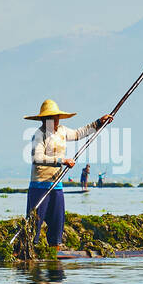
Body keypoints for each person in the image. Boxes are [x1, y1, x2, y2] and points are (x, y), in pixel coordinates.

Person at [25, 99, 112, 247]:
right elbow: (37, 158)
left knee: (57, 224)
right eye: (51, 118)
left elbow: (79, 133)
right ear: (44, 119)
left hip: (56, 185)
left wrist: (98, 123)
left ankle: (55, 252)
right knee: (34, 226)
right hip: (39, 186)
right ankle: (31, 254)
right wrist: (62, 160)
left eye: (56, 117)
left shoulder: (63, 131)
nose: (54, 121)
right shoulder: (39, 134)